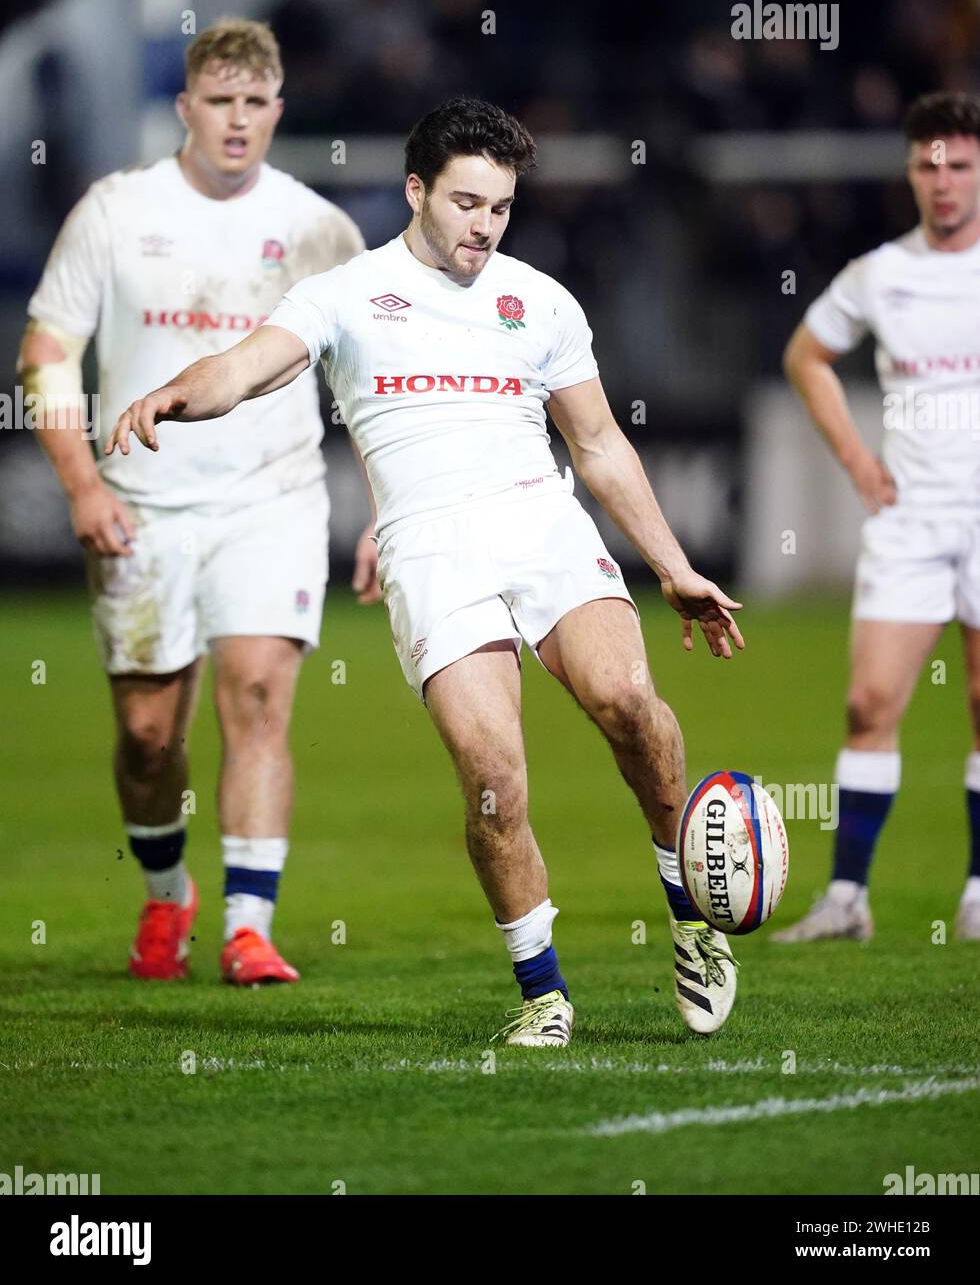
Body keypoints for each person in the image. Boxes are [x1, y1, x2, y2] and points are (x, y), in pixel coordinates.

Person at [106, 97, 745, 1042]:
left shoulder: (541, 302)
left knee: (631, 706)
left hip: (543, 526)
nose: (483, 225)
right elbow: (246, 369)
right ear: (416, 191)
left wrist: (675, 567)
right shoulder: (346, 295)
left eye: (500, 207)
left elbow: (601, 444)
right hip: (432, 552)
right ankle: (545, 996)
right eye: (465, 203)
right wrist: (171, 393)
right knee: (493, 777)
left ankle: (694, 922)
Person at [19, 17, 372, 985]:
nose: (237, 121)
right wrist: (82, 483)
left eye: (256, 103)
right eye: (219, 101)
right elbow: (48, 351)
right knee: (146, 734)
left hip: (275, 499)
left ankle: (248, 928)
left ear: (277, 110)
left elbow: (363, 378)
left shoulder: (317, 226)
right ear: (183, 107)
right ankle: (167, 896)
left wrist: (383, 505)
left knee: (257, 696)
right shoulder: (116, 210)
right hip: (142, 503)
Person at [774, 90, 980, 944]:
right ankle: (848, 899)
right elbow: (807, 353)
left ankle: (977, 893)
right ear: (909, 171)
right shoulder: (881, 272)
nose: (943, 182)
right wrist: (858, 460)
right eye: (928, 165)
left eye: (960, 165)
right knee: (868, 702)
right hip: (911, 520)